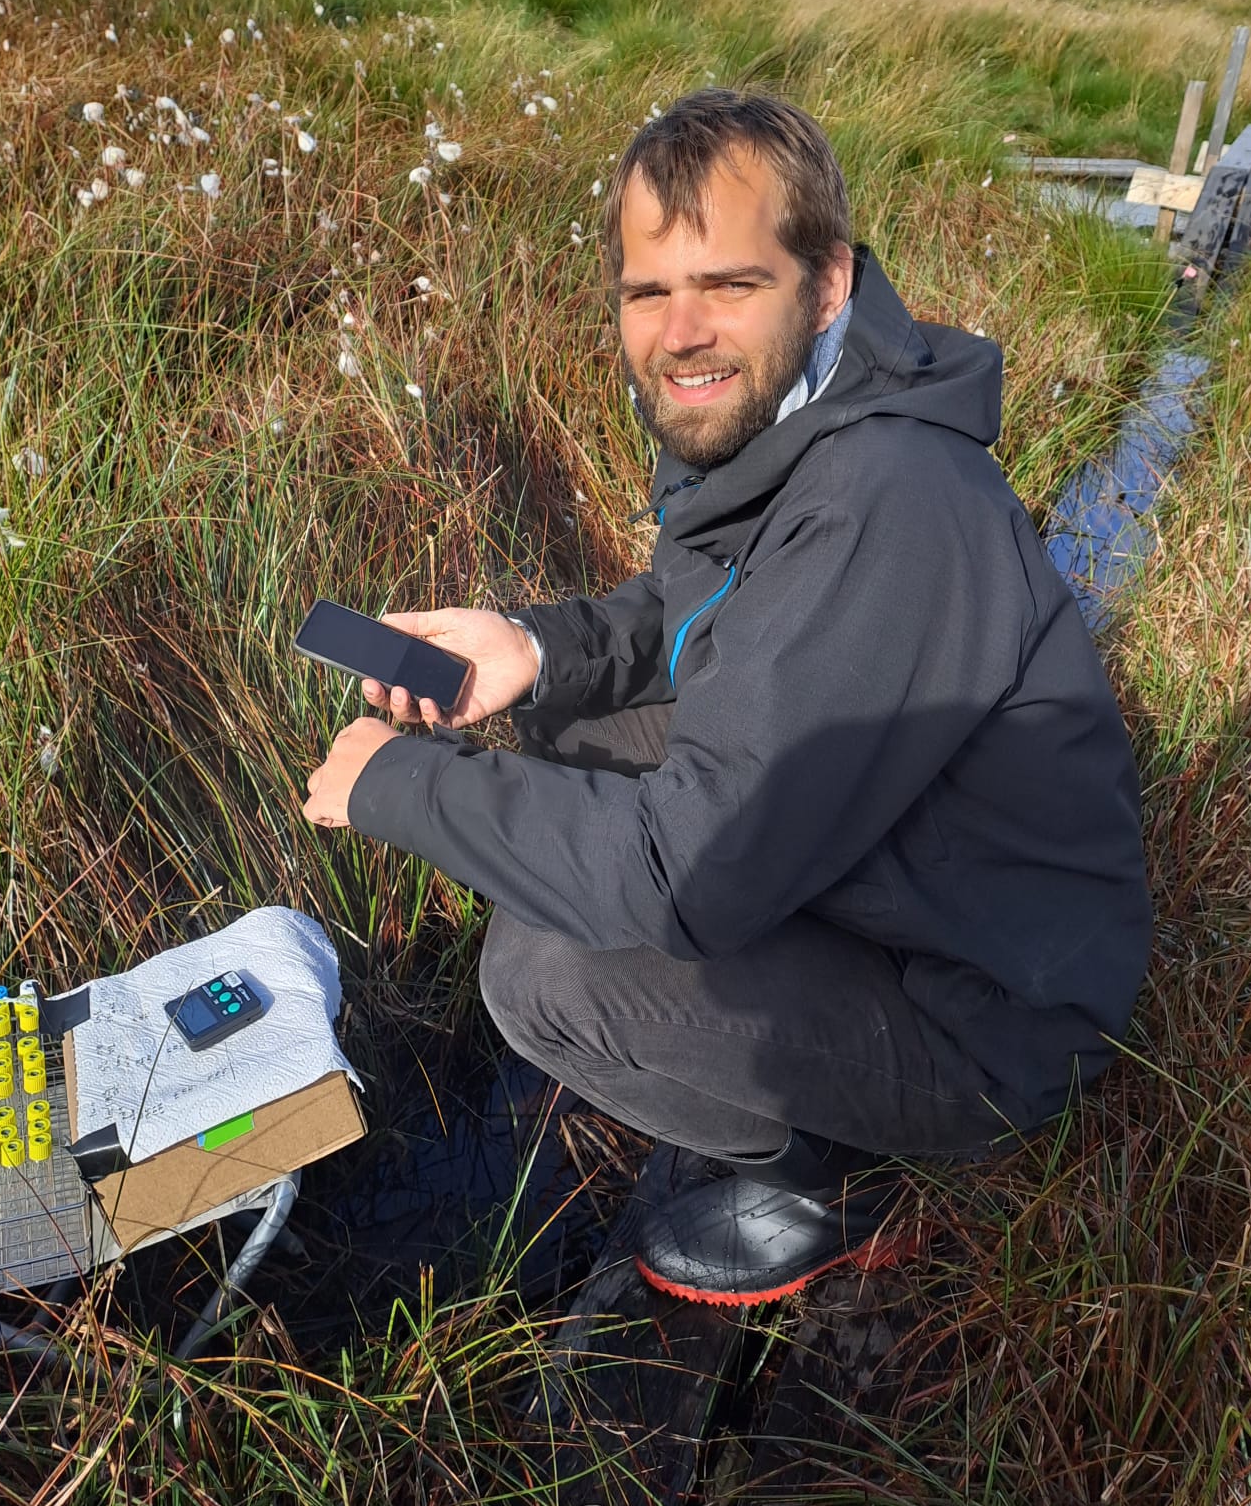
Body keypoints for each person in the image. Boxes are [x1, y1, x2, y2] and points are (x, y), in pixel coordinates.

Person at [302, 88, 1154, 1306]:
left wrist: (401, 785)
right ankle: (771, 1070)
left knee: (544, 973)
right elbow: (699, 614)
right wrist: (533, 649)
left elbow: (680, 875)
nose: (681, 332)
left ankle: (845, 1183)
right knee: (565, 725)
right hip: (905, 874)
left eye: (730, 284)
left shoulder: (888, 499)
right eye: (648, 292)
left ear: (828, 283)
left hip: (988, 1013)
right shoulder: (797, 416)